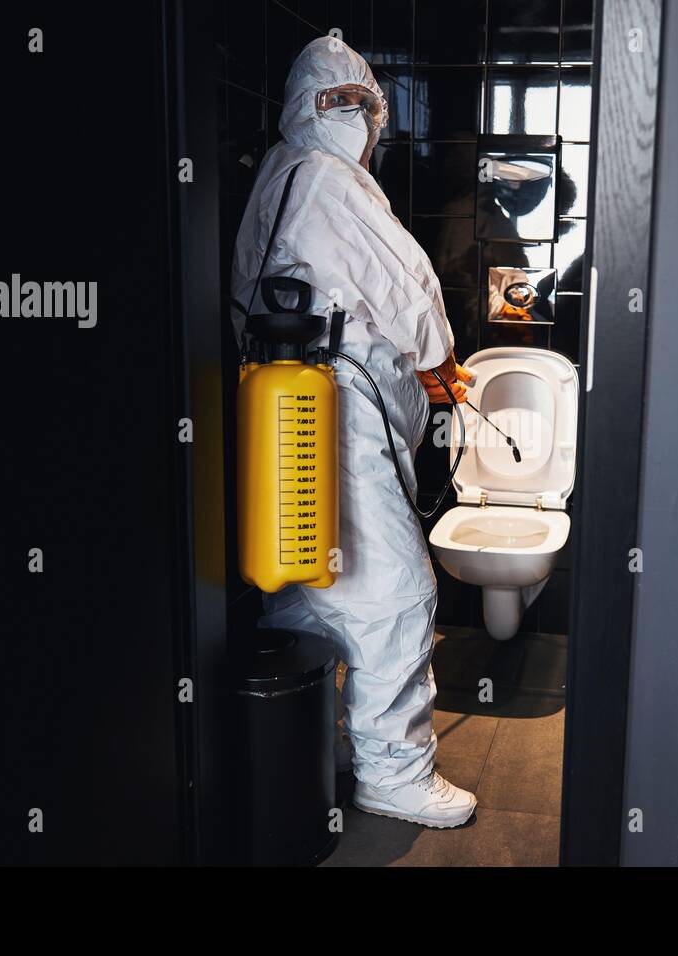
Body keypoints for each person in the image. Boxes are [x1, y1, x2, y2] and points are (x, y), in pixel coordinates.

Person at [230, 36, 477, 828]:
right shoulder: (335, 183)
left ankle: (321, 745)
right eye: (340, 101)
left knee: (309, 590)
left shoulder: (276, 175)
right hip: (339, 416)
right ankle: (394, 774)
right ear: (305, 106)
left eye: (365, 103)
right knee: (400, 594)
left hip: (285, 412)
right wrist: (438, 358)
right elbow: (411, 295)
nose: (356, 116)